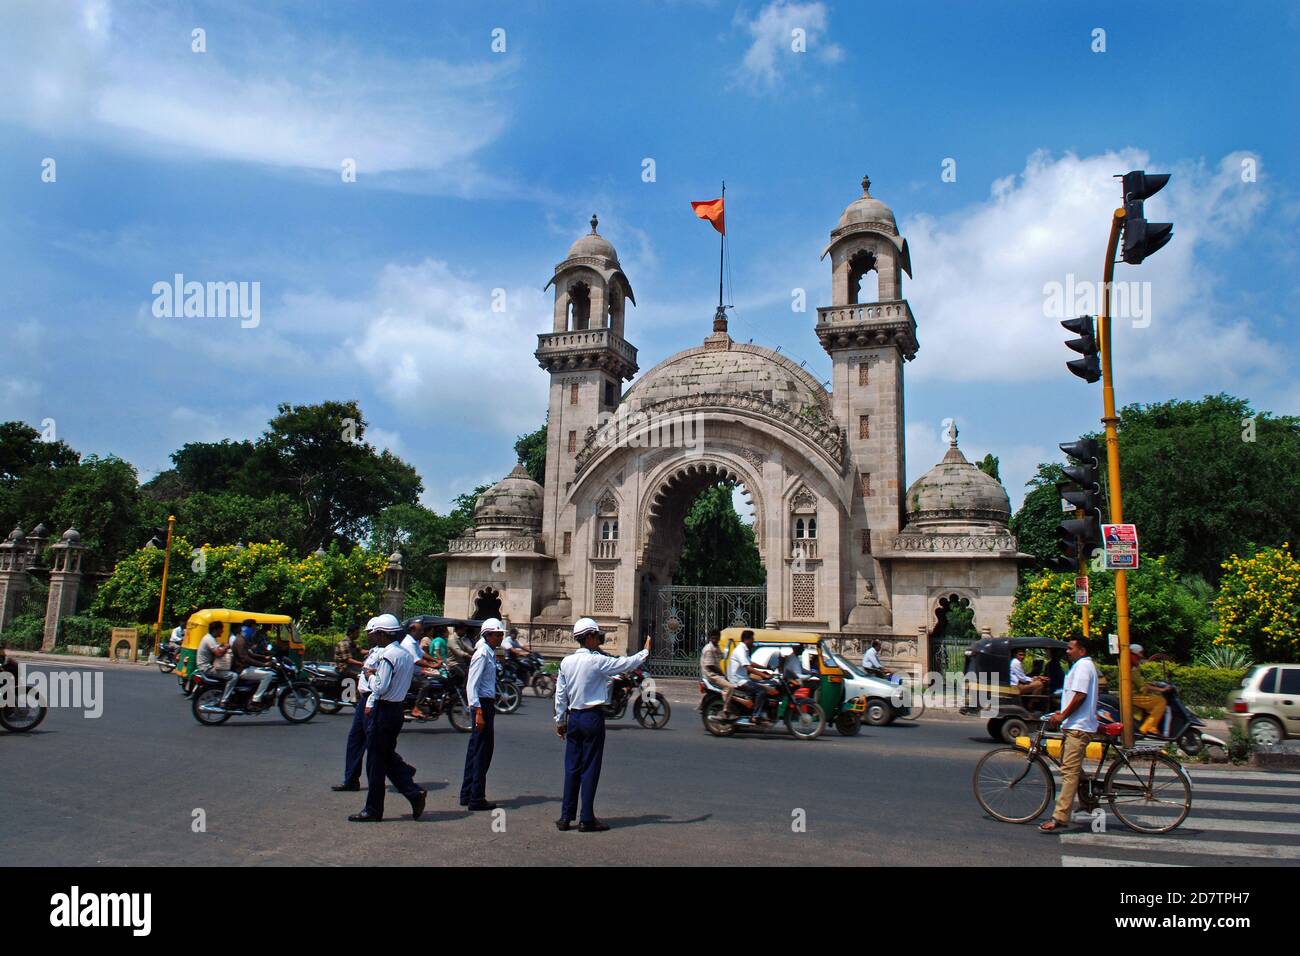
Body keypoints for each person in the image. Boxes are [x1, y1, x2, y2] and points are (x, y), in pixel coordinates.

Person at [554, 618, 651, 832]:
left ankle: (565, 817)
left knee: (572, 767)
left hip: (574, 718)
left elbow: (560, 696)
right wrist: (644, 651)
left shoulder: (566, 662)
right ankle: (586, 818)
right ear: (589, 637)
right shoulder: (596, 661)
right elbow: (625, 664)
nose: (599, 640)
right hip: (591, 718)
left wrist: (560, 721)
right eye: (597, 636)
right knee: (589, 768)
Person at [349, 614, 425, 822]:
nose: (373, 637)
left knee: (375, 762)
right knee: (383, 755)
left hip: (383, 711)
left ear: (382, 634)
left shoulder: (388, 656)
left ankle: (375, 808)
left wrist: (369, 675)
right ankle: (411, 790)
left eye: (375, 634)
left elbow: (380, 687)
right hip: (396, 709)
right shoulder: (404, 654)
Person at [1040, 637, 1099, 832]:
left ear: (1081, 651)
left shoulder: (1083, 667)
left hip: (1078, 727)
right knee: (1070, 767)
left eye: (1070, 648)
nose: (1067, 651)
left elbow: (1080, 695)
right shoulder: (1081, 665)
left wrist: (1063, 715)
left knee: (1069, 773)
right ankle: (1089, 800)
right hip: (1075, 725)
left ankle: (1060, 817)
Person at [460, 618, 505, 811]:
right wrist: (477, 711)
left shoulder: (489, 653)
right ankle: (476, 797)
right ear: (487, 635)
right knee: (482, 751)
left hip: (485, 703)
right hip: (482, 705)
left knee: (475, 749)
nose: (500, 637)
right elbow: (472, 684)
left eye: (501, 634)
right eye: (497, 634)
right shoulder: (482, 654)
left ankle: (467, 793)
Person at [333, 633, 385, 793]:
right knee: (355, 740)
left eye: (372, 633)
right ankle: (351, 779)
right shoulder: (373, 650)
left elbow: (382, 679)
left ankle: (404, 776)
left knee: (375, 745)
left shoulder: (387, 653)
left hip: (372, 698)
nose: (369, 636)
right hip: (363, 698)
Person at [223, 619, 276, 706]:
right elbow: (246, 658)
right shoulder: (240, 641)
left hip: (244, 667)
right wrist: (264, 664)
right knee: (268, 675)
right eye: (253, 629)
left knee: (265, 670)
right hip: (241, 669)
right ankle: (256, 699)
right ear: (247, 628)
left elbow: (250, 654)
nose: (254, 631)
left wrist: (265, 658)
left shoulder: (242, 639)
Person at [726, 629, 773, 726]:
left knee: (765, 686)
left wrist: (765, 668)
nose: (753, 641)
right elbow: (747, 667)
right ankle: (755, 716)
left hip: (743, 678)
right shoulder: (740, 650)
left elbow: (750, 663)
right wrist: (763, 675)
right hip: (738, 680)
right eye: (752, 639)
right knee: (762, 691)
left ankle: (759, 711)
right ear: (746, 640)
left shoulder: (745, 650)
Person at [1128, 644, 1168, 736]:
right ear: (1131, 655)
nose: (1138, 659)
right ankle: (1149, 727)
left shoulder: (1134, 668)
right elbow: (1143, 686)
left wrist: (1153, 685)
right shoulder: (1130, 669)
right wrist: (1161, 689)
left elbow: (1141, 684)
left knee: (1157, 700)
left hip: (1136, 695)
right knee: (1161, 701)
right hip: (1133, 696)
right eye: (1137, 657)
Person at [195, 621, 236, 696]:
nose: (222, 631)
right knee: (234, 676)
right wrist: (226, 647)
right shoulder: (209, 639)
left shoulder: (211, 638)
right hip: (207, 668)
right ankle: (225, 699)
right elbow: (218, 653)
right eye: (221, 629)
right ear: (215, 630)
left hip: (206, 666)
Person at [698, 628, 734, 714]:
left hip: (715, 674)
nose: (715, 640)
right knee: (730, 687)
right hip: (711, 675)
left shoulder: (716, 647)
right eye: (713, 638)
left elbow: (722, 656)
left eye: (717, 638)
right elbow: (710, 666)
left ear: (719, 638)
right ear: (710, 638)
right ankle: (725, 708)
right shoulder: (709, 649)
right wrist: (721, 673)